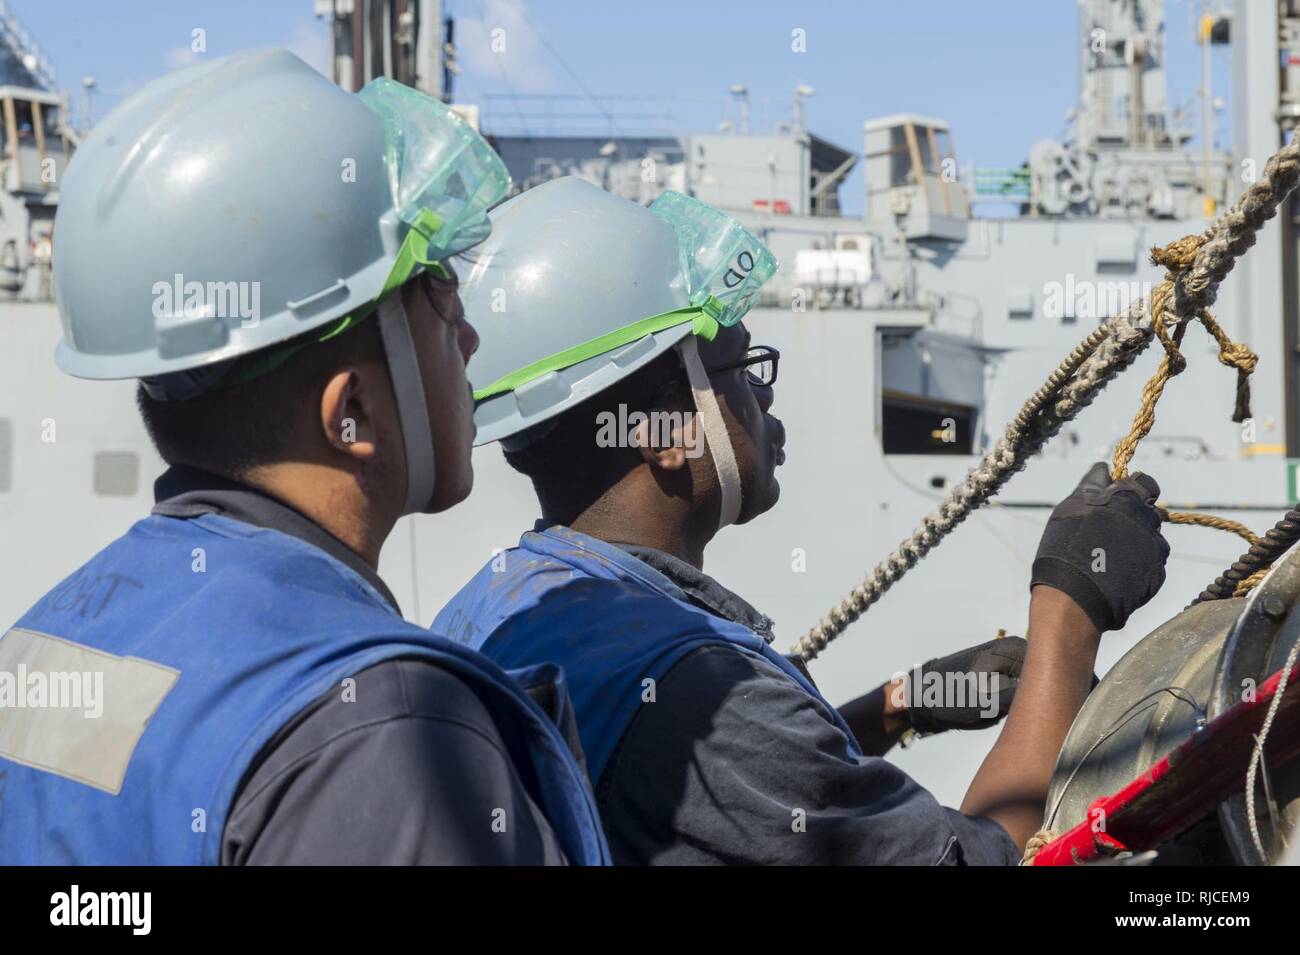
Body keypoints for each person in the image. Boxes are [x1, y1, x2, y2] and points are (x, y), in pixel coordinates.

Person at [434, 177, 1170, 864]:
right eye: (740, 369)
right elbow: (986, 855)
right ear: (663, 431)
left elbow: (716, 785)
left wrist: (900, 706)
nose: (766, 398)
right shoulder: (700, 684)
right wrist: (1068, 617)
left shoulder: (498, 603)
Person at [0, 51, 608, 866]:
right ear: (351, 411)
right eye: (438, 298)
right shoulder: (384, 729)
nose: (468, 339)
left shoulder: (41, 641)